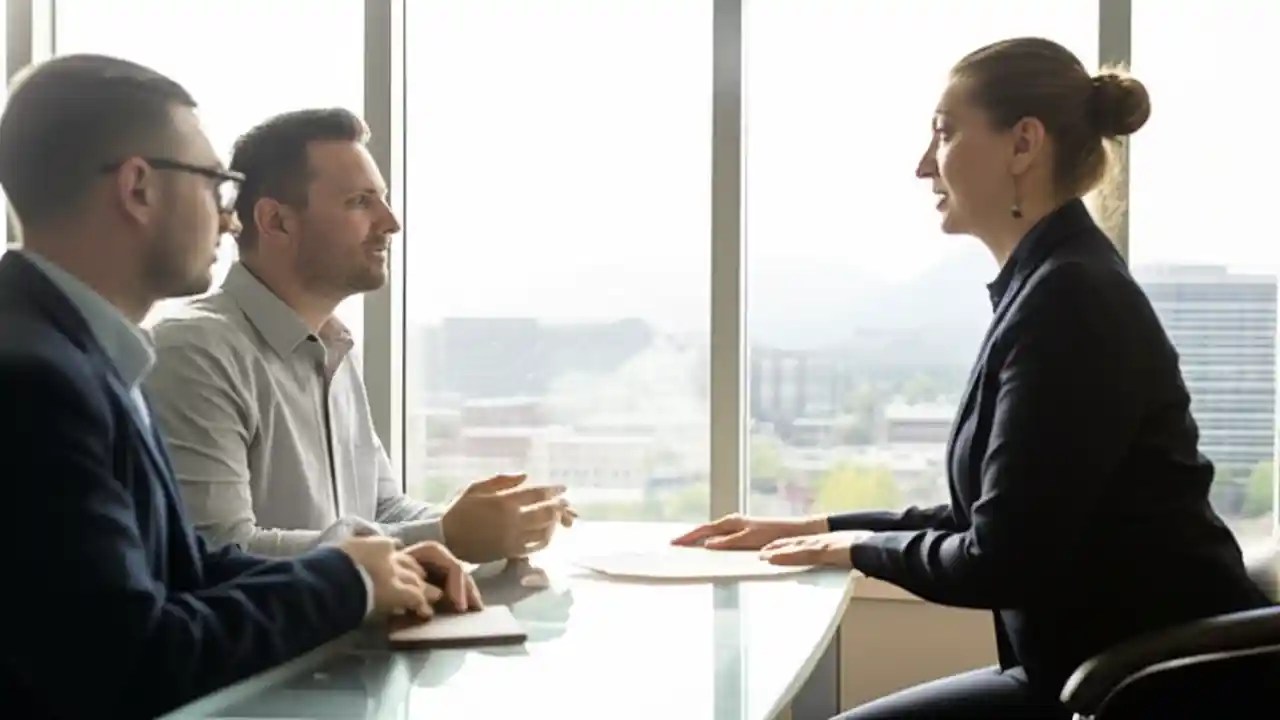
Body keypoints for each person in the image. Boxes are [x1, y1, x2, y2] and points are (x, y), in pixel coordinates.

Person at [674, 37, 1276, 718]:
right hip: (1090, 675)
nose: (923, 165)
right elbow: (994, 515)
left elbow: (1001, 558)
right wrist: (812, 525)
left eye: (945, 132)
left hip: (1153, 693)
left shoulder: (1071, 302)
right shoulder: (1048, 286)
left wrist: (858, 549)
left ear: (1024, 145)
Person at [0, 55, 480, 719]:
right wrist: (345, 581)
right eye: (217, 187)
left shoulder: (84, 356)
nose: (230, 221)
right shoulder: (32, 382)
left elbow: (184, 570)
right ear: (138, 188)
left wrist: (374, 573)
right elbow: (130, 660)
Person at [144, 108, 572, 561]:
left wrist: (492, 522)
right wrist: (446, 536)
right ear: (276, 221)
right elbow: (220, 551)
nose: (390, 222)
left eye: (381, 199)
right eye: (360, 202)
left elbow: (382, 509)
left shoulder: (333, 348)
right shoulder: (194, 352)